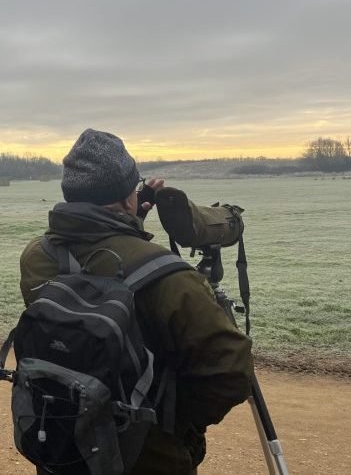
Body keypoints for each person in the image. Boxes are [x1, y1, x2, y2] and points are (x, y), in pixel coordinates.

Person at [19, 129, 254, 475]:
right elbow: (232, 371)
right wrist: (172, 423)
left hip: (67, 443)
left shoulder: (37, 257)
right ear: (129, 197)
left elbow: (91, 276)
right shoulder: (172, 279)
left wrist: (126, 225)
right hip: (149, 457)